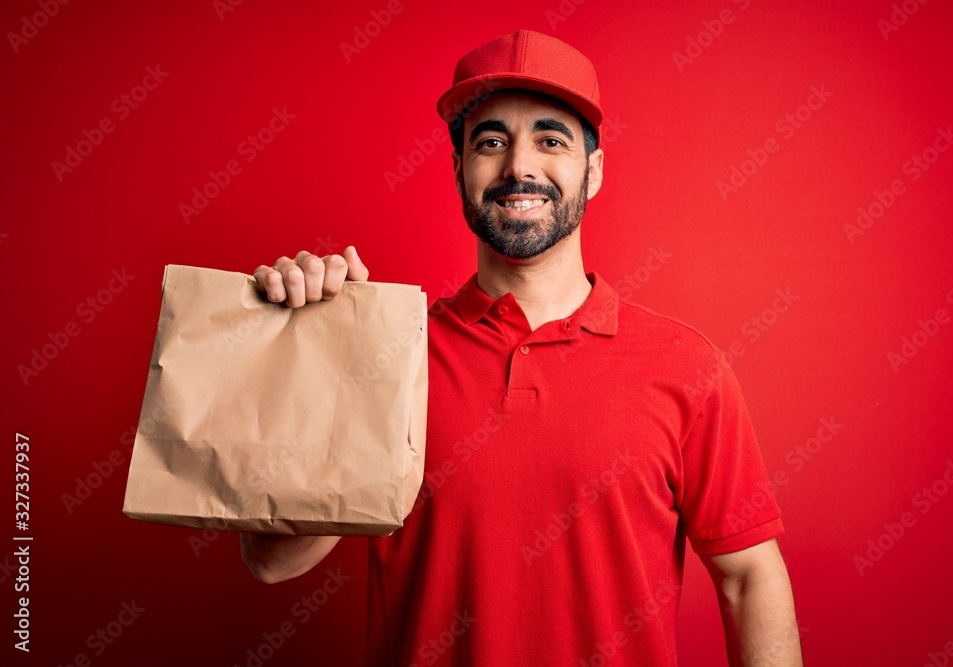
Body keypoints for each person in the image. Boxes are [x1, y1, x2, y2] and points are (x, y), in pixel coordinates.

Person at [240, 30, 802, 666]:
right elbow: (272, 562)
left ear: (593, 171)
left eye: (550, 139)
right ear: (459, 170)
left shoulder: (688, 368)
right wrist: (327, 351)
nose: (519, 167)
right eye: (490, 142)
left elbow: (748, 577)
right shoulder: (392, 354)